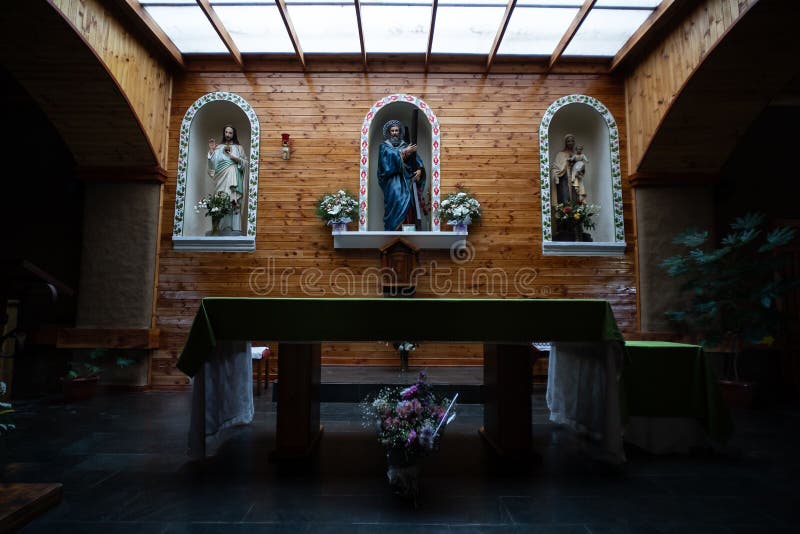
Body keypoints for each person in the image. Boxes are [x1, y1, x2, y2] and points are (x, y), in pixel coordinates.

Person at [377, 119, 426, 231]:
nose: (394, 133)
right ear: (389, 133)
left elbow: (416, 159)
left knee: (408, 204)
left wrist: (419, 170)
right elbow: (385, 165)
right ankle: (393, 229)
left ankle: (407, 229)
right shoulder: (384, 147)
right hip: (392, 181)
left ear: (400, 132)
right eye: (392, 130)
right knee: (396, 201)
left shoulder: (405, 145)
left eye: (397, 130)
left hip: (406, 179)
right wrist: (404, 152)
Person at [208, 125, 247, 229]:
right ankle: (219, 228)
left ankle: (235, 228)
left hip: (234, 175)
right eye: (226, 132)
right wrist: (212, 151)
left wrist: (235, 158)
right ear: (224, 133)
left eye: (230, 133)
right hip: (221, 177)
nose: (228, 135)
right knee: (221, 200)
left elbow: (246, 163)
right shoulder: (219, 147)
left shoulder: (239, 148)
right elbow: (213, 165)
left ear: (233, 134)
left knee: (233, 200)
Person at [551, 133, 576, 204]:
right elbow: (555, 167)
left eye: (572, 141)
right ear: (565, 143)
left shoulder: (576, 154)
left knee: (575, 199)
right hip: (564, 180)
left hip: (574, 180)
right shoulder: (560, 154)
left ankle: (577, 213)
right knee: (565, 197)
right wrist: (566, 163)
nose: (570, 143)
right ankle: (564, 213)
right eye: (568, 141)